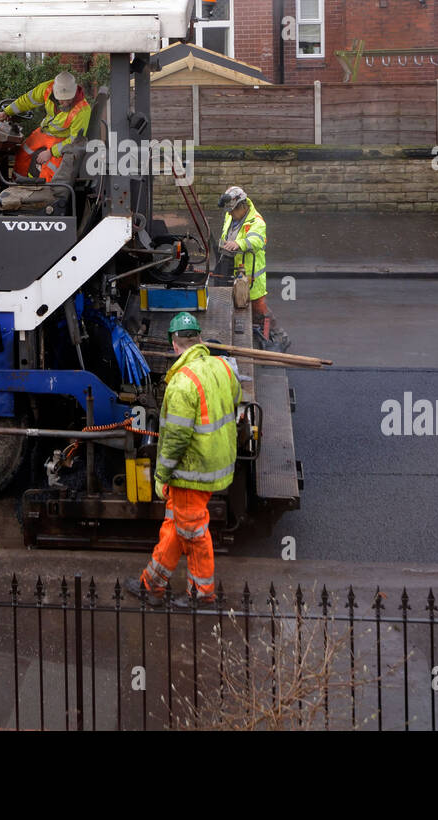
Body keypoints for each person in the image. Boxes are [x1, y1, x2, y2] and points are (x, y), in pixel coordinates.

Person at [126, 312, 240, 608]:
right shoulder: (223, 368)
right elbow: (232, 402)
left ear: (174, 344)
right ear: (199, 339)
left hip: (191, 471)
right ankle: (151, 584)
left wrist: (161, 475)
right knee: (176, 525)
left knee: (193, 533)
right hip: (215, 463)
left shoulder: (181, 384)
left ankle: (202, 594)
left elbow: (175, 440)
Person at [217, 184, 285, 349]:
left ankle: (280, 337)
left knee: (258, 306)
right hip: (233, 270)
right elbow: (227, 233)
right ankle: (255, 332)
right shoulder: (230, 216)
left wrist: (238, 244)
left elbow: (256, 240)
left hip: (251, 273)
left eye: (233, 211)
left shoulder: (257, 221)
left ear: (243, 206)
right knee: (238, 303)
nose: (230, 214)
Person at [3, 71, 92, 182]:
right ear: (55, 92)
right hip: (44, 132)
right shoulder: (47, 88)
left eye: (68, 100)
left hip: (62, 140)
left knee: (50, 167)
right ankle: (16, 184)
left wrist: (51, 152)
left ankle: (44, 194)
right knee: (23, 153)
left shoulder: (82, 110)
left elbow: (75, 140)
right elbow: (27, 100)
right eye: (62, 100)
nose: (65, 103)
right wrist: (6, 112)